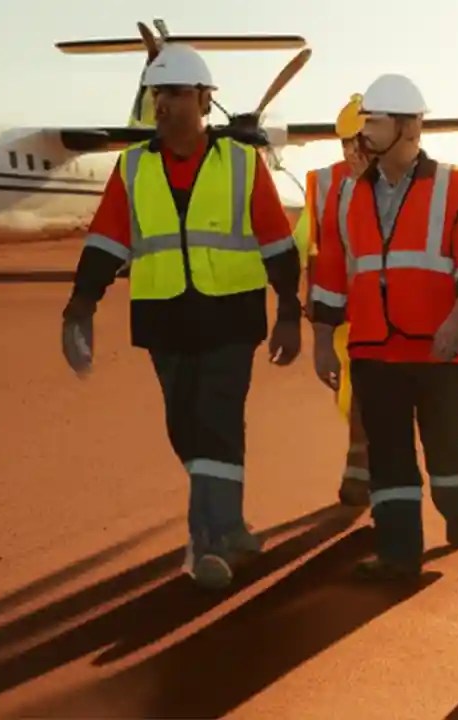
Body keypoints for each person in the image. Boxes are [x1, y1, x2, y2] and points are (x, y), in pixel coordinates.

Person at [59, 44, 303, 590]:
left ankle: (210, 543)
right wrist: (82, 302)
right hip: (164, 321)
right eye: (155, 93)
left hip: (230, 318)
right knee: (186, 427)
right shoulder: (133, 166)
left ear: (204, 99)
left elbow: (276, 241)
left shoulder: (242, 162)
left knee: (214, 420)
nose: (161, 103)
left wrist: (289, 307)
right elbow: (106, 240)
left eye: (171, 93)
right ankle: (233, 526)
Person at [308, 73, 458, 580]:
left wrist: (457, 321)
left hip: (439, 350)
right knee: (388, 457)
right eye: (364, 119)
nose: (365, 130)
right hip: (372, 349)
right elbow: (331, 276)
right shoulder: (345, 194)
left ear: (410, 126)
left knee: (447, 450)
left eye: (377, 120)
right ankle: (398, 553)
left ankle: (457, 505)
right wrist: (323, 342)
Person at [302, 93, 371, 507]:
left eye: (359, 141)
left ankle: (363, 466)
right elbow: (315, 253)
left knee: (377, 396)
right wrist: (318, 333)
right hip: (345, 315)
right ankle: (365, 459)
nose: (352, 152)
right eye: (345, 143)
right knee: (352, 397)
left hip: (403, 319)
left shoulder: (423, 182)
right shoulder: (326, 184)